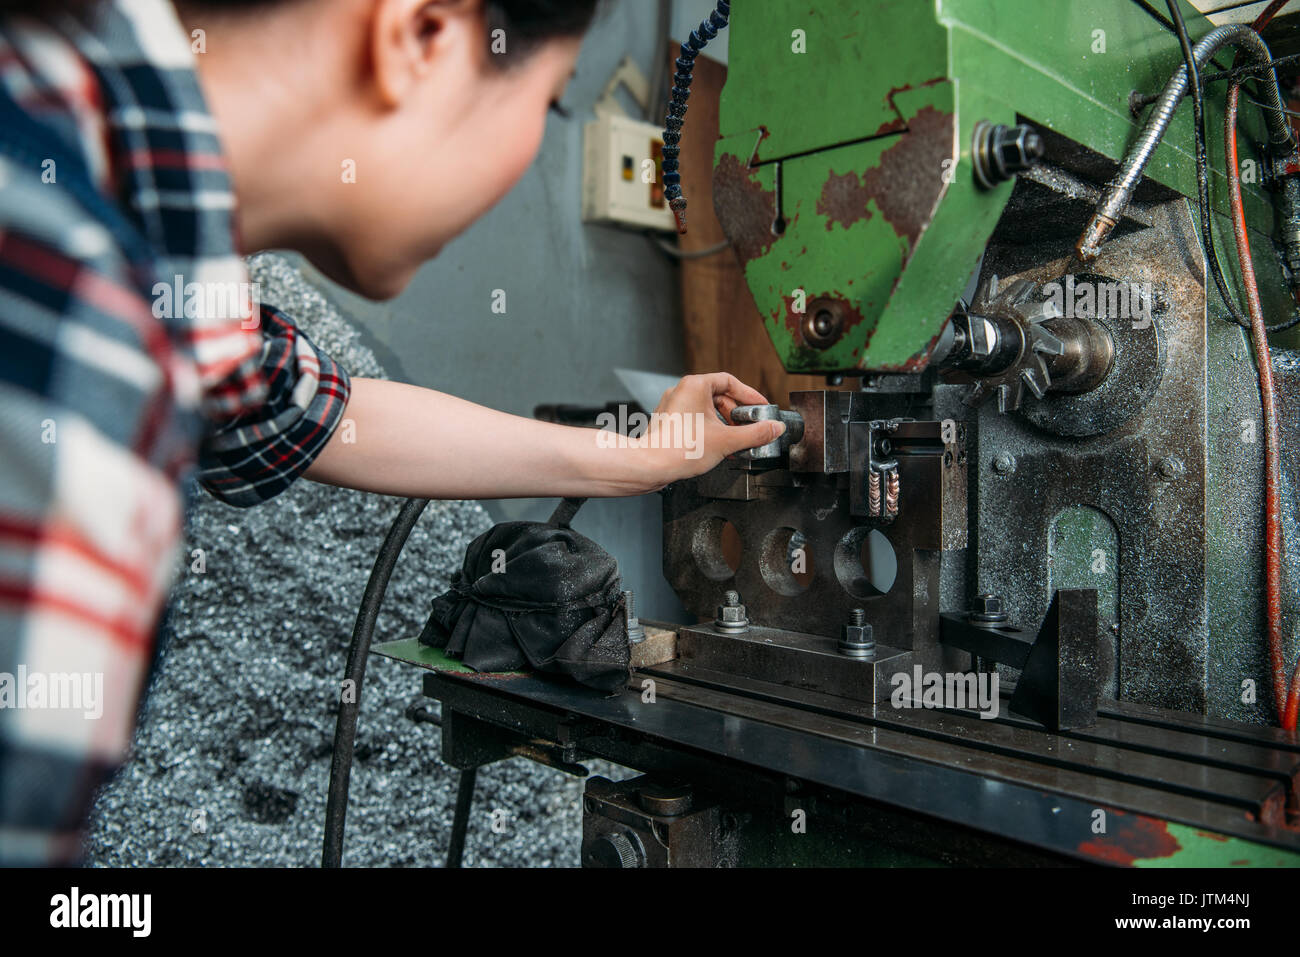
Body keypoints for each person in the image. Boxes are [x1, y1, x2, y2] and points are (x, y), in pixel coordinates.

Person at [0, 0, 784, 865]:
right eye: (552, 100)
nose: (528, 151)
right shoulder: (75, 302)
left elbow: (331, 415)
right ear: (423, 33)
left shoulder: (120, 226)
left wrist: (646, 457)